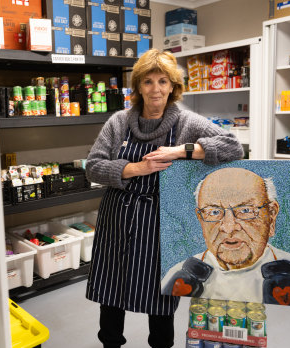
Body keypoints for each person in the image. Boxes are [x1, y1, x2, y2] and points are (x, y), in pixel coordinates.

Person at [85, 48, 244, 348]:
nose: (155, 89)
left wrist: (181, 150)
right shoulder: (118, 122)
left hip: (163, 220)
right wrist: (136, 168)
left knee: (161, 292)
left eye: (162, 81)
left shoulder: (187, 122)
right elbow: (93, 167)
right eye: (148, 82)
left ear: (173, 86)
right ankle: (110, 342)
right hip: (117, 218)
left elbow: (233, 146)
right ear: (138, 87)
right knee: (111, 289)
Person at [160, 167, 290, 307]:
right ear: (200, 219)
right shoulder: (177, 276)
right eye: (214, 212)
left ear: (271, 216)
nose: (229, 227)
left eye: (246, 210)